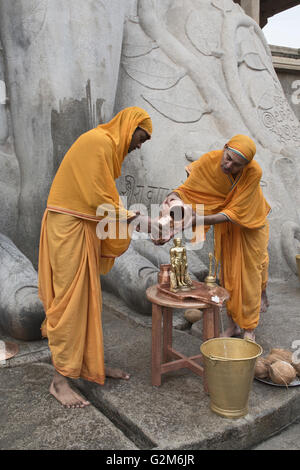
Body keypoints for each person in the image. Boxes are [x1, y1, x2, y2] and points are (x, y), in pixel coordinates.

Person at [38, 107, 160, 408]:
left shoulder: (104, 144)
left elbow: (100, 202)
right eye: (140, 137)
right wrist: (143, 222)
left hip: (81, 227)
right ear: (128, 127)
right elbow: (99, 201)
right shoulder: (99, 142)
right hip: (68, 229)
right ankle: (59, 381)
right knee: (70, 304)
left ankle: (89, 366)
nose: (139, 145)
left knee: (89, 301)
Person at [161, 135, 270, 342]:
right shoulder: (209, 161)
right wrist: (174, 198)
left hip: (251, 224)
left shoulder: (253, 172)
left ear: (246, 166)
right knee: (228, 274)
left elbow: (235, 212)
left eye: (236, 165)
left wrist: (196, 220)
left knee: (250, 275)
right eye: (227, 158)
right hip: (228, 226)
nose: (228, 165)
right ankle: (233, 326)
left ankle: (249, 328)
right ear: (225, 148)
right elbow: (187, 190)